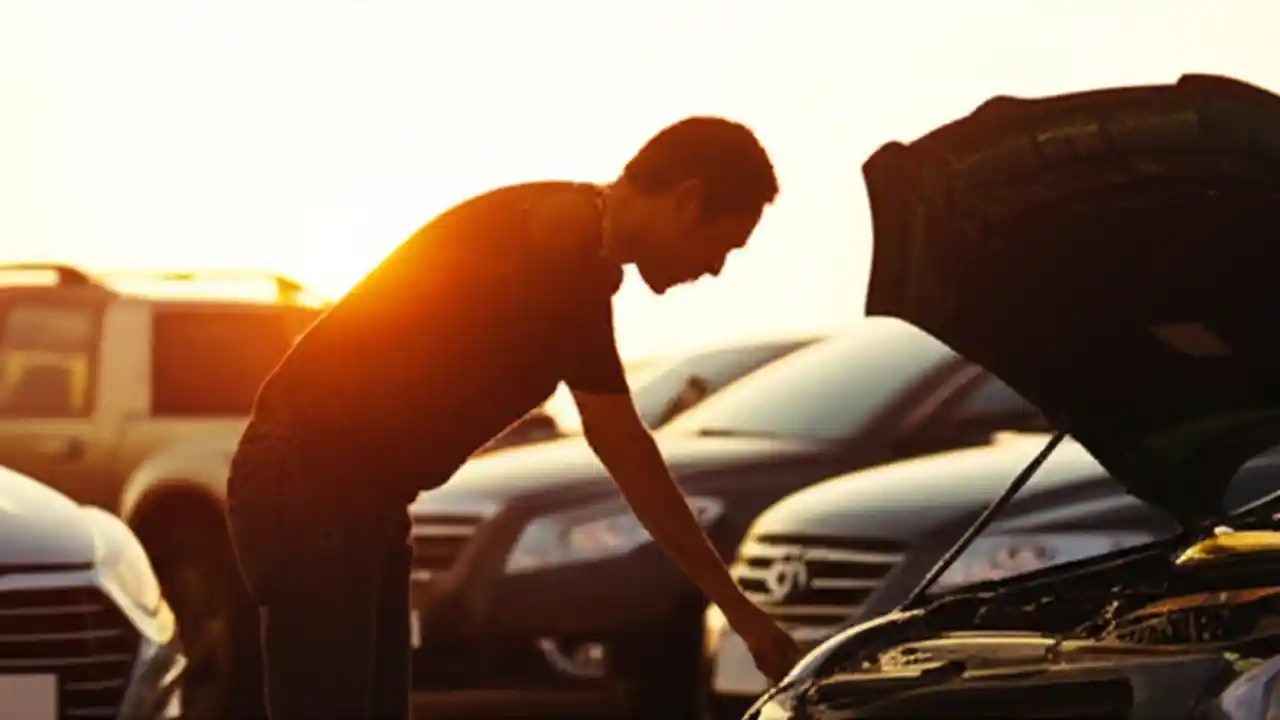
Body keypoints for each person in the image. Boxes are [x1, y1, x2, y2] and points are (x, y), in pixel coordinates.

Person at [225, 116, 801, 719]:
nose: (715, 269)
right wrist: (738, 610)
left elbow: (622, 445)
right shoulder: (557, 243)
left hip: (365, 501)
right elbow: (627, 451)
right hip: (304, 482)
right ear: (688, 200)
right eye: (724, 246)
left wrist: (736, 609)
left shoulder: (577, 251)